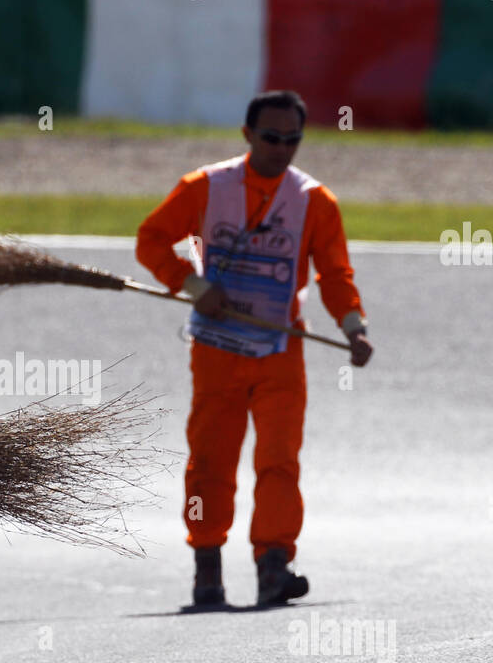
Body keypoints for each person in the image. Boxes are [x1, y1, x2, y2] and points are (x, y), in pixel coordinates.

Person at [136, 90, 373, 608]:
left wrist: (354, 328)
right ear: (247, 136)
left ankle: (274, 564)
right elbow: (151, 240)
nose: (282, 149)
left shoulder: (315, 201)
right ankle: (207, 570)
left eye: (292, 139)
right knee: (210, 462)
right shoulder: (204, 188)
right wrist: (194, 287)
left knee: (279, 460)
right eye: (271, 138)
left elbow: (335, 274)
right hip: (217, 350)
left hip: (280, 351)